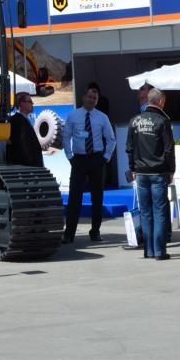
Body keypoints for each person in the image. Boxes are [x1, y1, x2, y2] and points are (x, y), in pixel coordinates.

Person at [62, 83, 115, 243]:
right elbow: (66, 137)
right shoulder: (73, 115)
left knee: (97, 197)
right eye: (89, 97)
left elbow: (111, 139)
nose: (92, 100)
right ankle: (69, 233)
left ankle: (95, 231)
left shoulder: (102, 117)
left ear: (97, 101)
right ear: (84, 98)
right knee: (74, 198)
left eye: (95, 98)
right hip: (78, 160)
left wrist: (105, 157)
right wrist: (70, 157)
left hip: (96, 159)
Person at [126, 86, 174, 260]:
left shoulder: (134, 121)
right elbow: (169, 149)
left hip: (141, 174)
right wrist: (171, 170)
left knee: (146, 212)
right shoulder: (163, 121)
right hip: (159, 172)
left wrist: (132, 169)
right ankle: (160, 251)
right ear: (160, 101)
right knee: (160, 211)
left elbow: (129, 148)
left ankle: (149, 250)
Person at [6, 91, 44, 168]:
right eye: (29, 101)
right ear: (21, 104)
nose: (32, 104)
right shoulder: (18, 121)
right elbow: (23, 146)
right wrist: (33, 166)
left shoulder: (22, 120)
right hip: (26, 168)